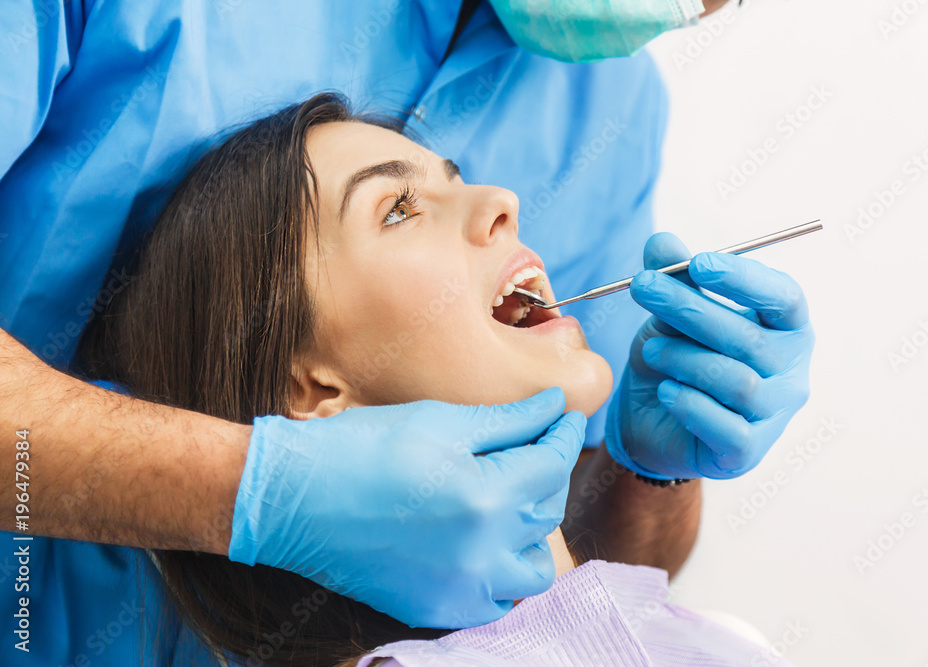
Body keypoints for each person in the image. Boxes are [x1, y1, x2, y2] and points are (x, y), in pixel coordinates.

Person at [0, 0, 811, 663]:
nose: (505, 201)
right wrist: (263, 490)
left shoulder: (613, 108)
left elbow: (592, 570)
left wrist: (650, 471)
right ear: (309, 390)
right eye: (398, 207)